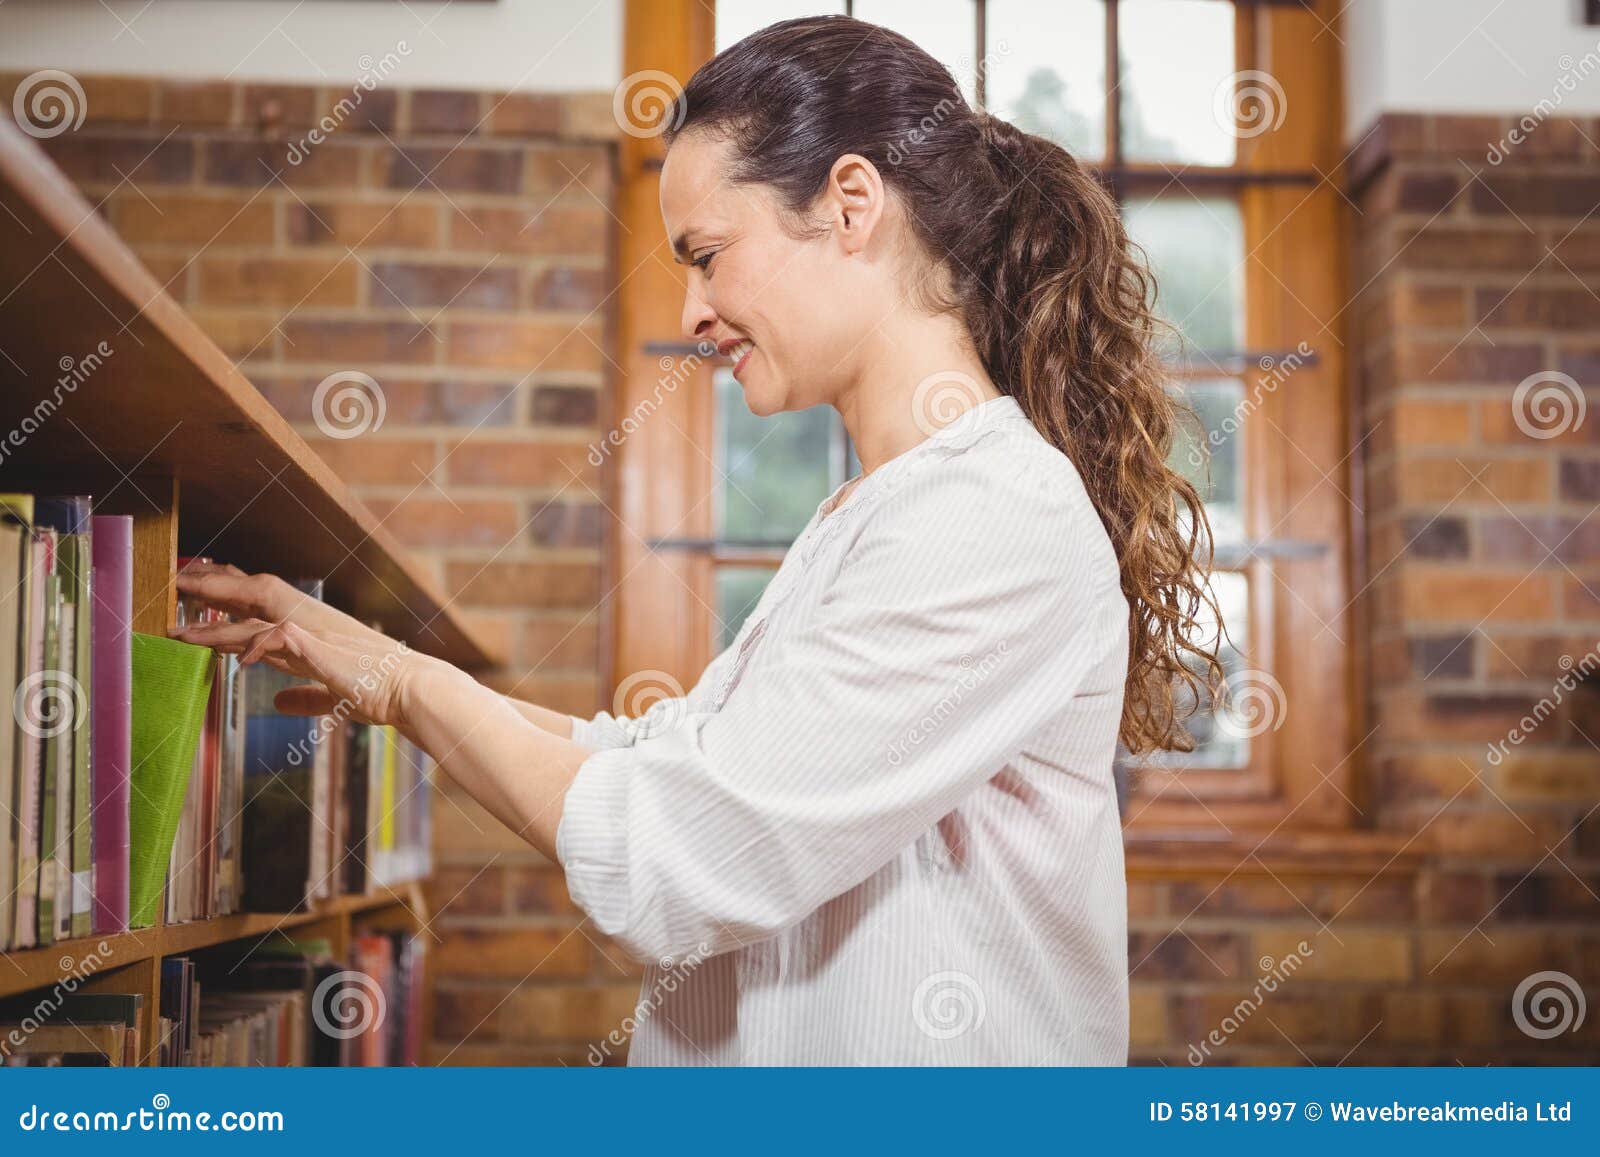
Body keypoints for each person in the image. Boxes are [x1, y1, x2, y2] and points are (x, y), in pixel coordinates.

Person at [172, 15, 1225, 1066]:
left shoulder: (986, 517)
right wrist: (377, 666)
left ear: (852, 204)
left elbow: (680, 857)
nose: (694, 311)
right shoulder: (878, 511)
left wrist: (408, 686)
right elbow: (667, 762)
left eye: (709, 257)